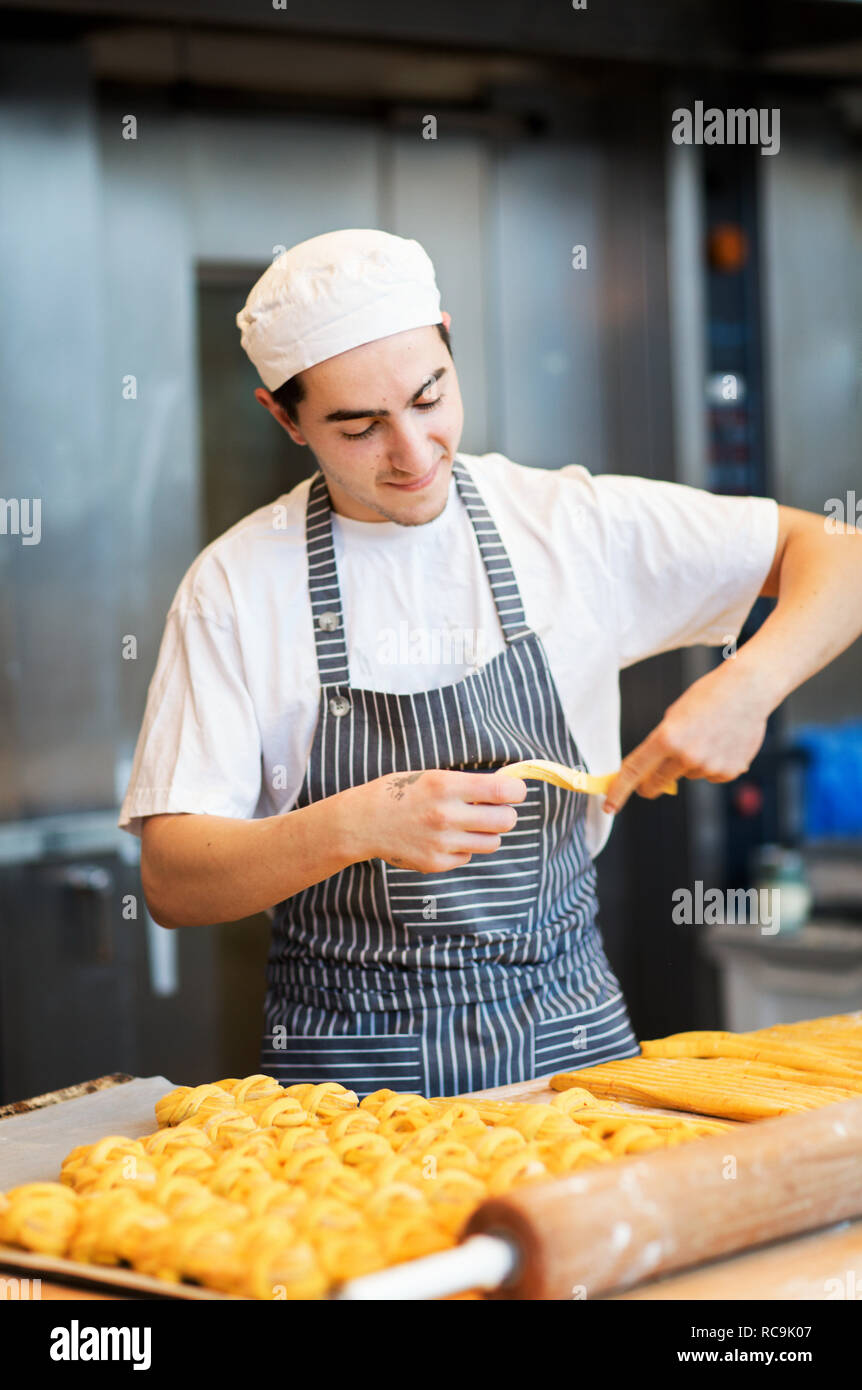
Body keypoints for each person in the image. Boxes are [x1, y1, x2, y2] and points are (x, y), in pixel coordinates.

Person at [119, 228, 862, 1097]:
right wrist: (355, 825)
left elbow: (841, 555)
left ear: (445, 339)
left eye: (429, 397)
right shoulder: (236, 586)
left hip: (574, 1052)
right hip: (350, 1090)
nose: (413, 452)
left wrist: (748, 683)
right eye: (359, 427)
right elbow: (173, 879)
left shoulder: (565, 524)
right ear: (283, 417)